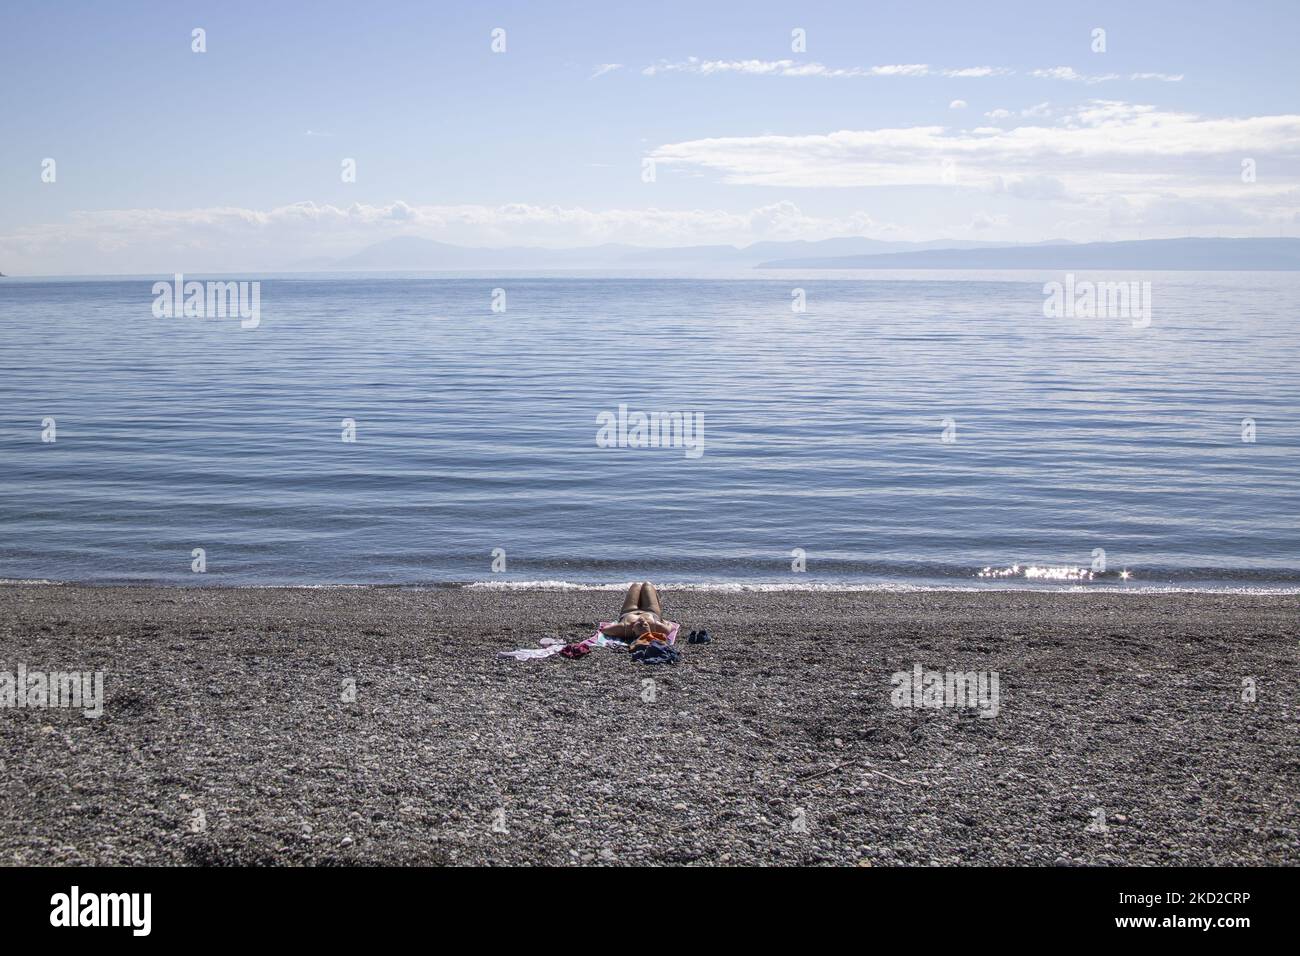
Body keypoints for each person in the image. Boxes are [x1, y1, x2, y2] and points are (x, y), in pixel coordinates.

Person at [600, 581, 677, 641]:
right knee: (647, 584)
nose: (642, 621)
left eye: (640, 625)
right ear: (650, 630)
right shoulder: (656, 627)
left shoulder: (624, 628)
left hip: (630, 611)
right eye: (645, 625)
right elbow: (671, 627)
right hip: (651, 611)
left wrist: (619, 631)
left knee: (635, 585)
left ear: (633, 630)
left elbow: (604, 630)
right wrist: (663, 621)